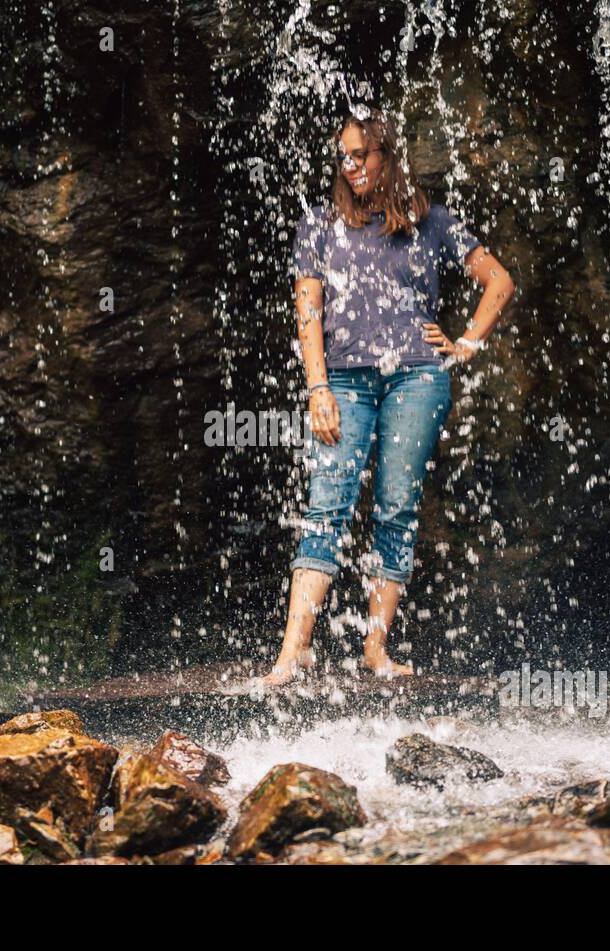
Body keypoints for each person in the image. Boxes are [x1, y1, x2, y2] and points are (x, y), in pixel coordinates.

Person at [260, 106, 515, 687]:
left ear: (386, 156)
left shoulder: (434, 222)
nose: (350, 166)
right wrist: (317, 385)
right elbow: (309, 307)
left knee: (396, 508)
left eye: (361, 155)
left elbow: (499, 279)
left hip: (416, 378)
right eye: (343, 157)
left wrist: (466, 344)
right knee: (327, 503)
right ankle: (293, 651)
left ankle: (375, 650)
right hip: (343, 381)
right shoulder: (319, 224)